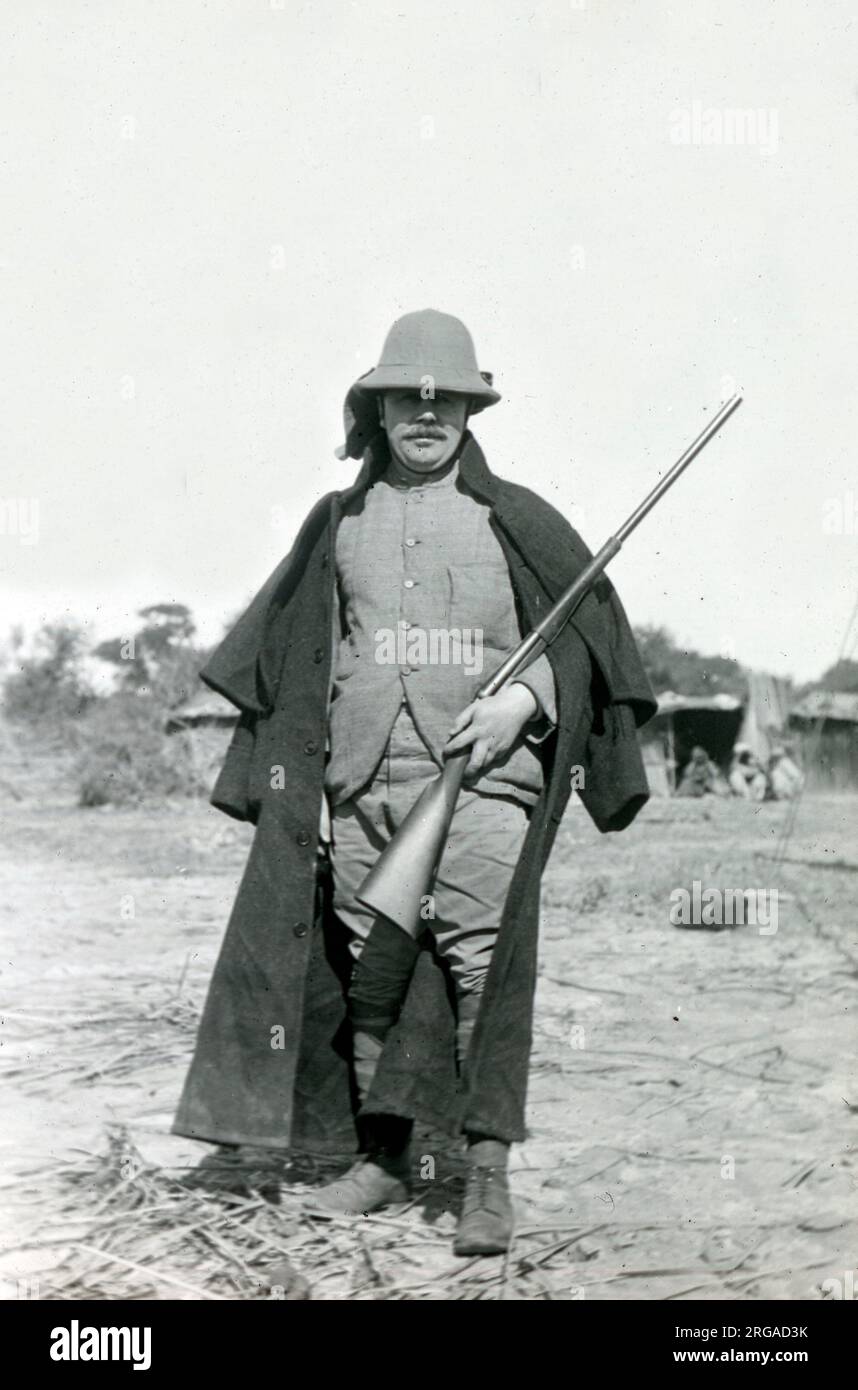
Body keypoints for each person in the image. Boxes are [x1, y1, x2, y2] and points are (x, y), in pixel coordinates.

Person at [173, 309, 656, 1257]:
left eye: (446, 400)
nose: (426, 414)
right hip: (358, 787)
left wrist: (528, 700)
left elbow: (589, 647)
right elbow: (301, 659)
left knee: (480, 970)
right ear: (379, 408)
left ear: (471, 412)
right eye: (408, 397)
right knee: (370, 980)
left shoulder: (518, 519)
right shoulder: (339, 522)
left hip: (478, 783)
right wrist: (299, 780)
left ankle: (484, 1179)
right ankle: (383, 1162)